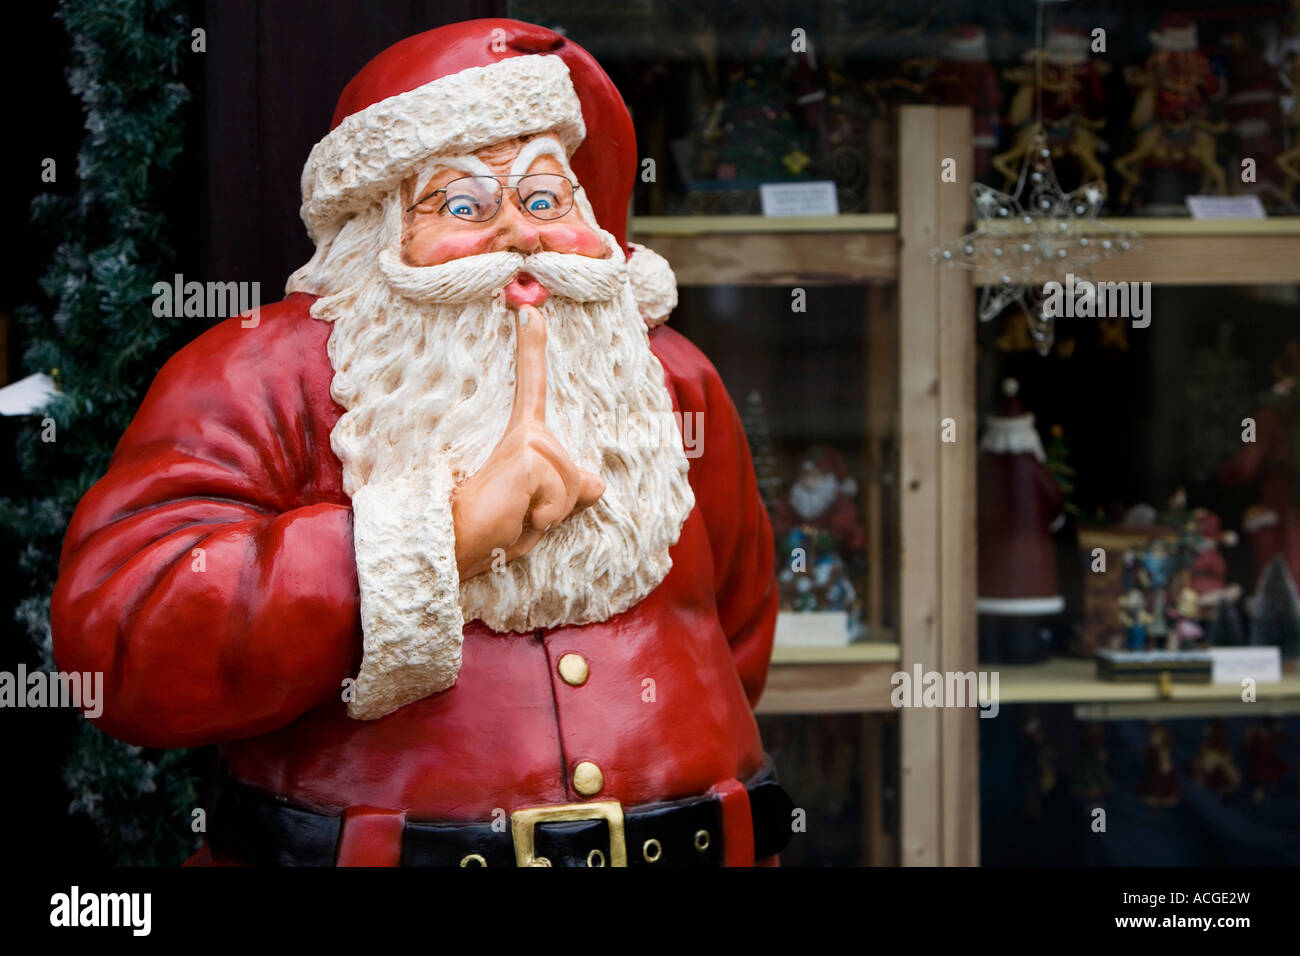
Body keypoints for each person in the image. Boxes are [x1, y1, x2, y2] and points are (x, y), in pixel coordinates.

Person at [50, 19, 789, 867]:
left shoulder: (672, 379)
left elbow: (738, 628)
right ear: (374, 231)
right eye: (465, 204)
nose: (520, 233)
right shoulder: (258, 375)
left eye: (547, 199)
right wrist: (433, 538)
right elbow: (118, 641)